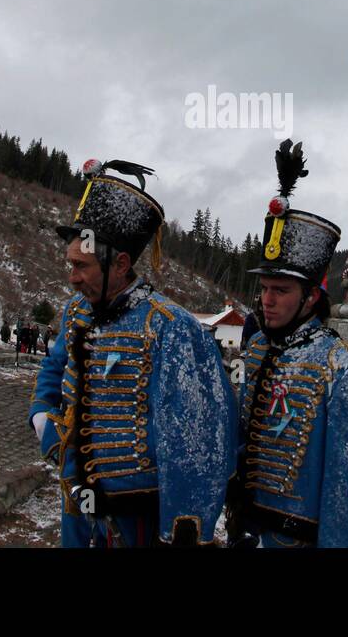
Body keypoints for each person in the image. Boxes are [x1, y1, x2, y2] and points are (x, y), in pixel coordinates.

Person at [29, 158, 236, 547]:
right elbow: (54, 368)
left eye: (81, 266)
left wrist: (180, 532)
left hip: (136, 523)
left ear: (120, 264)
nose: (71, 277)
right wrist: (43, 419)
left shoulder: (170, 327)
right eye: (70, 263)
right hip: (76, 511)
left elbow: (195, 445)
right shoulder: (77, 310)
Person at [226, 140, 348, 548]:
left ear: (312, 297)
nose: (267, 300)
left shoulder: (342, 368)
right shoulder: (257, 349)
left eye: (280, 290)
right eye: (264, 288)